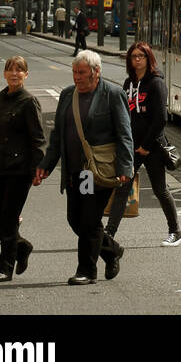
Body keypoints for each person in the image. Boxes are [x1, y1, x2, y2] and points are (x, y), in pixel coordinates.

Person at [34, 50, 133, 285]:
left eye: (82, 73)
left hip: (96, 171)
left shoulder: (112, 94)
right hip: (73, 170)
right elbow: (58, 134)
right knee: (75, 220)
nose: (77, 77)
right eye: (74, 72)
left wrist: (125, 167)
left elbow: (124, 133)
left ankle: (86, 271)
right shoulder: (68, 95)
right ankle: (111, 250)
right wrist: (46, 164)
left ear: (96, 72)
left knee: (89, 219)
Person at [104, 42, 181, 247]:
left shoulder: (156, 84)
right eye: (134, 56)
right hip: (132, 146)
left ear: (149, 59)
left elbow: (160, 119)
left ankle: (176, 231)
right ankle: (108, 234)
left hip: (153, 147)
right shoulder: (127, 84)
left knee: (160, 189)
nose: (137, 60)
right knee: (123, 187)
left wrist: (146, 145)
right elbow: (123, 115)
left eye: (141, 56)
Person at [0, 56, 44, 281]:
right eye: (11, 70)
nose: (15, 74)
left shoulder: (29, 101)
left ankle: (5, 267)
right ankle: (21, 247)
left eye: (19, 70)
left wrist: (37, 168)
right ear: (4, 73)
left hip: (19, 169)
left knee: (9, 218)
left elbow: (38, 139)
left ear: (26, 74)